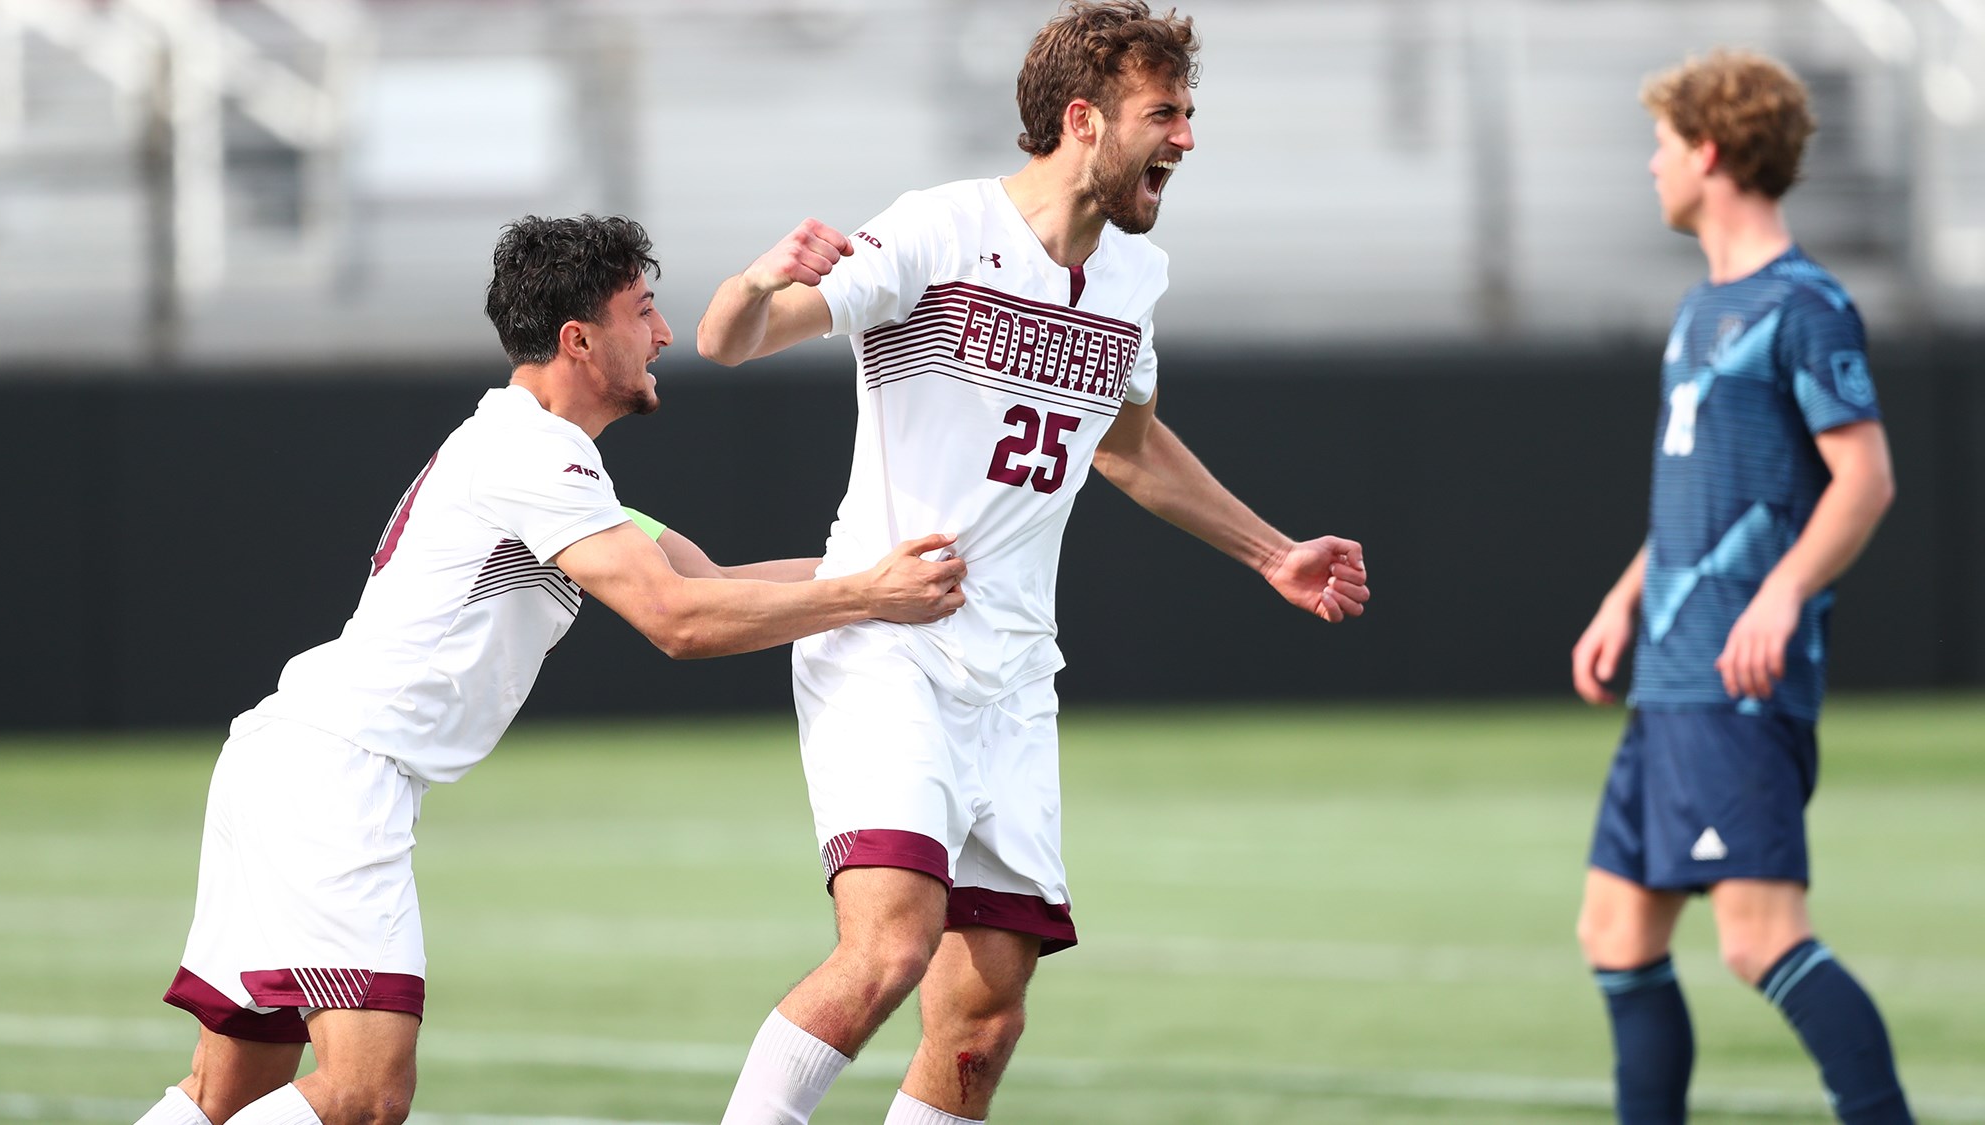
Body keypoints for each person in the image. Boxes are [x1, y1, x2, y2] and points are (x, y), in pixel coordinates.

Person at [131, 213, 968, 1125]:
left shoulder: (542, 461)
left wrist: (906, 566)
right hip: (335, 775)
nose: (661, 334)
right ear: (579, 339)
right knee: (366, 1093)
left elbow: (712, 581)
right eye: (643, 311)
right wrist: (869, 598)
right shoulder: (534, 452)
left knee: (228, 1090)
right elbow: (678, 620)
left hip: (286, 763)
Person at [694, 4, 1370, 1122]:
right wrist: (755, 280)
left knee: (985, 1015)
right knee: (889, 948)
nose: (1187, 139)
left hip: (1010, 674)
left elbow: (1128, 447)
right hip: (884, 640)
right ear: (1081, 119)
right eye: (1165, 114)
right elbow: (728, 340)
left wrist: (1270, 553)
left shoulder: (1129, 281)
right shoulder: (937, 230)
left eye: (1190, 114)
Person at [1570, 50, 1909, 1125]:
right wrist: (1624, 595)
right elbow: (1703, 498)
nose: (1650, 165)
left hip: (1734, 674)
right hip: (1670, 670)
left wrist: (1778, 597)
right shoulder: (1700, 307)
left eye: (1662, 145)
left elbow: (1863, 478)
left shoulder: (1801, 305)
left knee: (1759, 939)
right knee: (1614, 935)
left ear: (1707, 153)